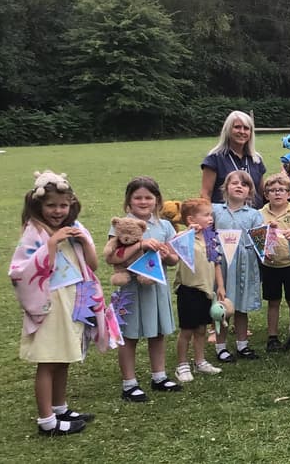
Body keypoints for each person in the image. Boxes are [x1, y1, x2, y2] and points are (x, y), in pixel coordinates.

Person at [9, 171, 106, 436]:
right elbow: (20, 271)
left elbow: (93, 265)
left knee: (64, 355)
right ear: (38, 205)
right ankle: (47, 421)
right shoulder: (35, 232)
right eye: (51, 205)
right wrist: (52, 243)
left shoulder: (76, 226)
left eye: (63, 205)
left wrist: (84, 241)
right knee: (48, 359)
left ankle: (60, 407)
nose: (58, 211)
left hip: (72, 299)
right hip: (49, 303)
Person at [107, 177, 181, 401]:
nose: (143, 201)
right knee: (129, 336)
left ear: (157, 200)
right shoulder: (120, 223)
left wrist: (168, 256)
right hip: (129, 289)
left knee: (157, 333)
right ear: (129, 200)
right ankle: (129, 383)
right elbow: (112, 256)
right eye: (137, 197)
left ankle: (159, 376)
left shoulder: (165, 226)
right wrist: (140, 245)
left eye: (148, 197)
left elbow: (175, 260)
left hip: (156, 288)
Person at [212, 171, 265, 362]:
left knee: (242, 306)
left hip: (245, 263)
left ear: (250, 191)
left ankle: (242, 345)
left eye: (244, 184)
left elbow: (261, 242)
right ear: (225, 187)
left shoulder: (254, 214)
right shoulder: (216, 210)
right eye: (234, 183)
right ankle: (221, 346)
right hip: (222, 264)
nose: (239, 186)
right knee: (222, 306)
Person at [173, 198, 225, 382]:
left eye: (211, 214)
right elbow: (173, 246)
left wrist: (220, 286)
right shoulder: (185, 237)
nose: (210, 218)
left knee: (202, 328)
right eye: (206, 215)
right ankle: (182, 364)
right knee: (187, 330)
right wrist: (187, 233)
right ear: (191, 219)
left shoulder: (211, 238)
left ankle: (200, 361)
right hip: (188, 290)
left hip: (206, 291)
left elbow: (216, 263)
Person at [259, 173, 290, 352]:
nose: (277, 193)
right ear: (266, 195)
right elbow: (255, 239)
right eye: (272, 190)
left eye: (281, 190)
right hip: (270, 265)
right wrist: (266, 232)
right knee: (273, 301)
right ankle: (272, 337)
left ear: (288, 194)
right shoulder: (260, 214)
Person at [201, 110, 267, 207]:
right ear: (228, 130)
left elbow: (262, 192)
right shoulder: (214, 158)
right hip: (225, 218)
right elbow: (206, 193)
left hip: (254, 217)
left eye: (246, 128)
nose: (242, 131)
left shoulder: (256, 159)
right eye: (237, 127)